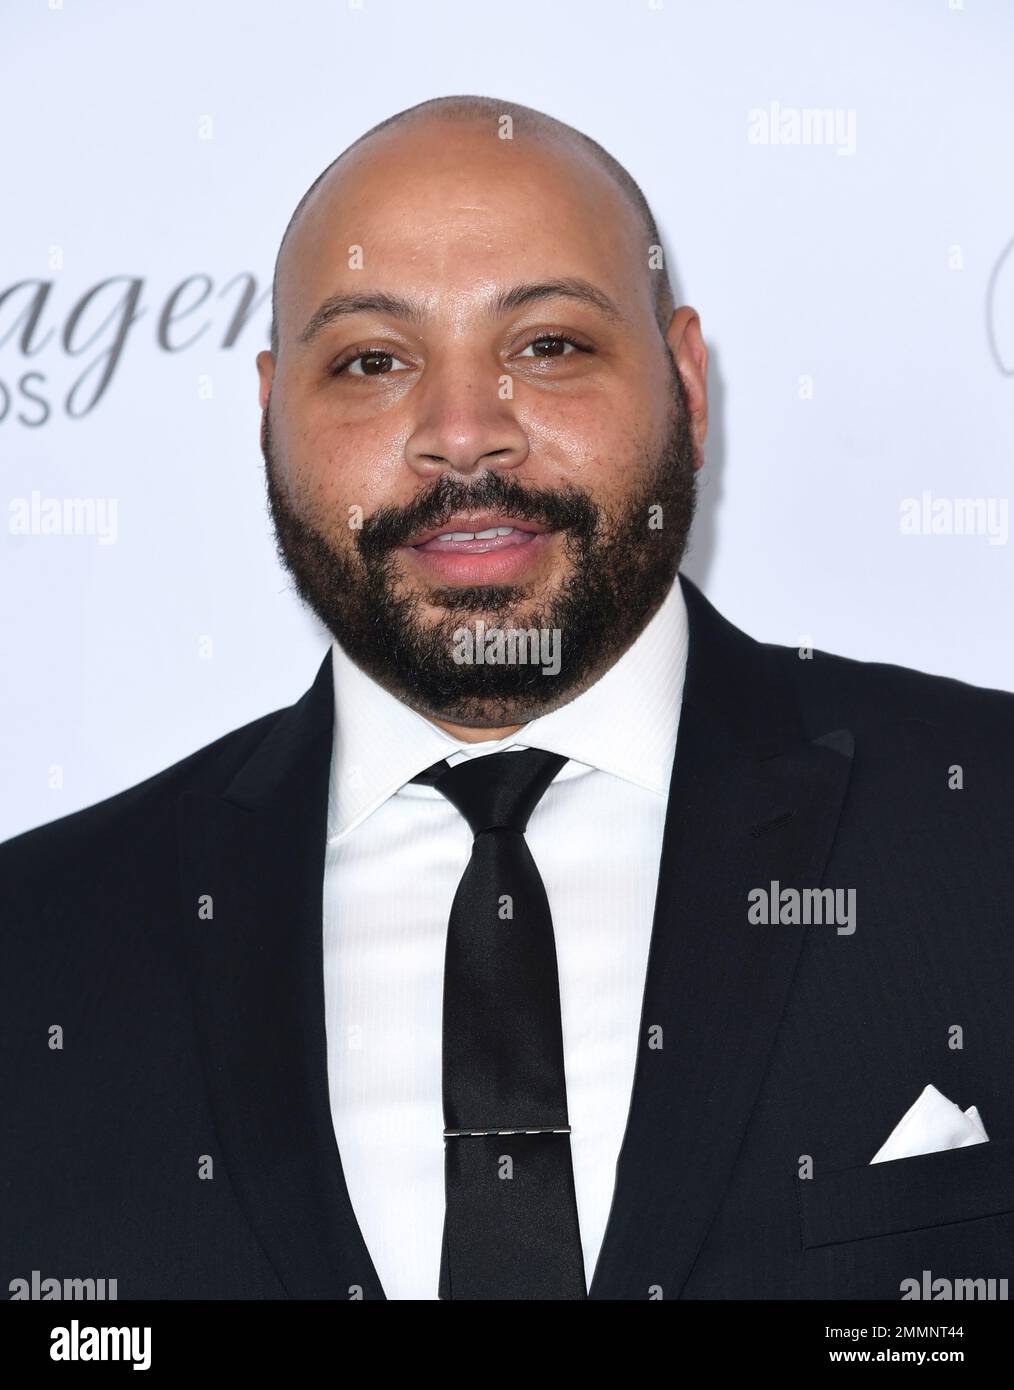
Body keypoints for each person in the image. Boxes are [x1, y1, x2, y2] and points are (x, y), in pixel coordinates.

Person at [3, 96, 1013, 1302]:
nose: (465, 437)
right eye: (373, 361)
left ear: (688, 384)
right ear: (270, 415)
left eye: (549, 346)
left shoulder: (983, 824)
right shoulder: (38, 950)